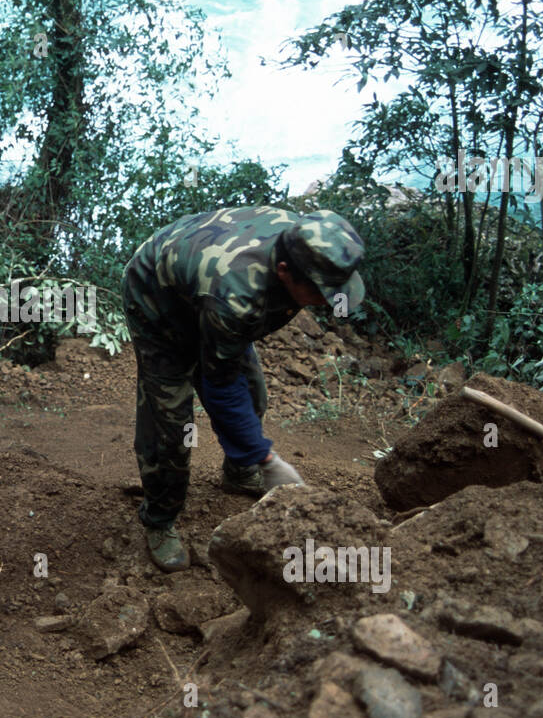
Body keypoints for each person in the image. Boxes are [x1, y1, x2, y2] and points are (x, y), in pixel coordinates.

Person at [121, 206, 366, 572]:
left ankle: (238, 473)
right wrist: (267, 458)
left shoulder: (302, 240)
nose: (329, 302)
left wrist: (251, 453)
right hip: (157, 296)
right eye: (321, 292)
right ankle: (159, 519)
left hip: (207, 286)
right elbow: (218, 386)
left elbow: (231, 377)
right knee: (170, 422)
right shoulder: (236, 296)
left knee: (252, 395)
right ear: (284, 272)